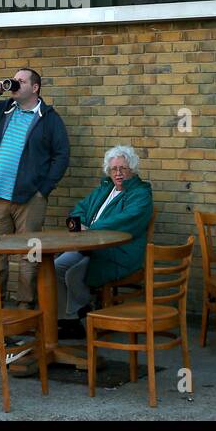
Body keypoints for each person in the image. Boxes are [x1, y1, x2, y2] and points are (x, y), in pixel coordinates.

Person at [0, 67, 70, 307]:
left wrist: (44, 190)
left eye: (21, 81)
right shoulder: (1, 110)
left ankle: (25, 305)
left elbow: (61, 155)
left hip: (30, 199)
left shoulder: (49, 118)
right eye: (14, 80)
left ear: (35, 87)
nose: (15, 84)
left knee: (30, 253)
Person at [55, 145, 153, 338]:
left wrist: (91, 229)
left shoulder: (140, 194)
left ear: (131, 170)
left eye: (122, 169)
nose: (118, 173)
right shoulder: (104, 189)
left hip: (119, 252)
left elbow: (125, 220)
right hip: (89, 246)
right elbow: (80, 208)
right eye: (114, 169)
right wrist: (77, 223)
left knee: (73, 274)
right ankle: (70, 320)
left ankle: (85, 310)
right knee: (55, 266)